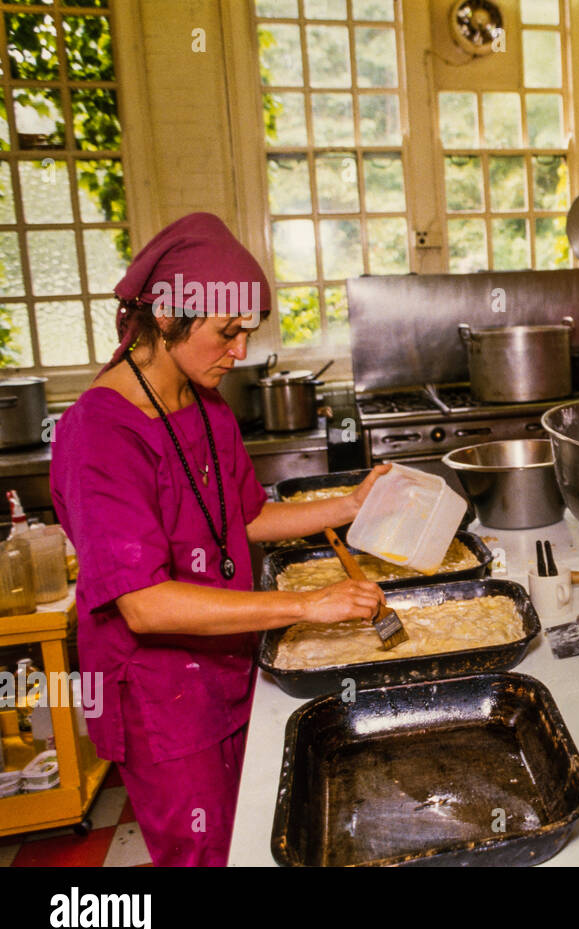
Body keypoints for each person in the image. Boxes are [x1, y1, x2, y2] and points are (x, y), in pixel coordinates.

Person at [50, 213, 388, 866]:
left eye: (245, 333)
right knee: (205, 854)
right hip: (166, 705)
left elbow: (247, 518)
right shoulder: (98, 434)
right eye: (227, 332)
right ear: (170, 316)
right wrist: (306, 606)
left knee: (259, 837)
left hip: (233, 669)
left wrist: (348, 504)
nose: (239, 352)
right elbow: (145, 604)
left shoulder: (206, 407)